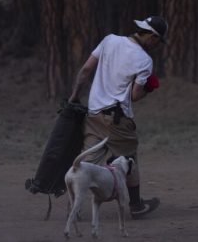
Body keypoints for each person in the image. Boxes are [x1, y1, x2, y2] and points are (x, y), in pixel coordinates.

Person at [68, 15, 168, 219]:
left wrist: (74, 96)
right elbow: (134, 96)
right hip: (118, 119)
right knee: (129, 159)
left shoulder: (109, 40)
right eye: (158, 41)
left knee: (86, 163)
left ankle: (74, 209)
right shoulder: (144, 60)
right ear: (152, 37)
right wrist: (149, 87)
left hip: (93, 113)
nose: (157, 45)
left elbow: (86, 70)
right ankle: (137, 206)